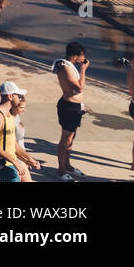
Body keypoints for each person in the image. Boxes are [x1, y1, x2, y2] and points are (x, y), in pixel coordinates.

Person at [0, 82, 41, 182]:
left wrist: (29, 159)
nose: (20, 98)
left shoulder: (8, 115)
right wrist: (15, 161)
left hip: (12, 165)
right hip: (5, 166)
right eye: (18, 95)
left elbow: (12, 143)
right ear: (10, 96)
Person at [53, 42, 88, 181]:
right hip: (68, 107)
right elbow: (80, 87)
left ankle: (67, 165)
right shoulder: (65, 67)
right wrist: (83, 70)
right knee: (65, 139)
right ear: (74, 56)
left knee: (71, 138)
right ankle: (60, 170)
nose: (83, 59)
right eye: (82, 56)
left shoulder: (69, 66)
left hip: (75, 107)